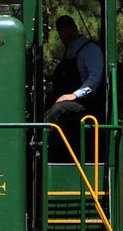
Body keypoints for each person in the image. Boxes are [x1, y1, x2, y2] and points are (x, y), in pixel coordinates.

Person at [44, 16, 104, 157]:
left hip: (86, 103)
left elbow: (94, 79)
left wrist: (75, 95)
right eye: (61, 32)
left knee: (58, 109)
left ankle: (43, 146)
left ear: (75, 29)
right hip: (70, 101)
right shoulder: (69, 52)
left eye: (67, 30)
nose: (64, 35)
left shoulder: (90, 50)